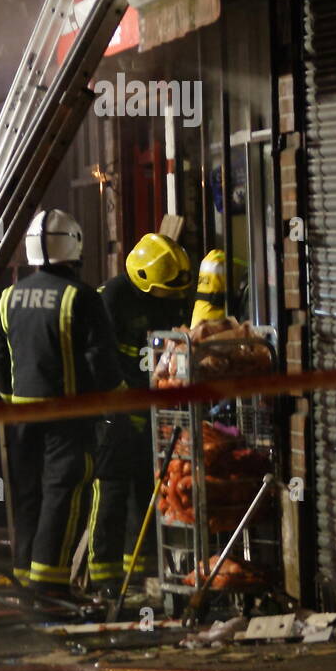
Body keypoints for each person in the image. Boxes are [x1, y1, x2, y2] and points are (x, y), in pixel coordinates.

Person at [0, 208, 121, 596]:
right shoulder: (81, 296)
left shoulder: (9, 297)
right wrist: (115, 406)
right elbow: (102, 360)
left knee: (28, 495)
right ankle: (49, 590)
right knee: (63, 493)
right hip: (69, 418)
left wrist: (12, 399)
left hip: (22, 418)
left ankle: (25, 579)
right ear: (74, 247)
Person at [87, 233, 191, 596]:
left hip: (152, 409)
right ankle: (105, 576)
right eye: (167, 290)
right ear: (145, 279)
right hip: (114, 411)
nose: (174, 298)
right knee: (113, 489)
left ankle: (142, 567)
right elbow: (100, 358)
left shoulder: (165, 293)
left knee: (149, 491)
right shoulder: (110, 299)